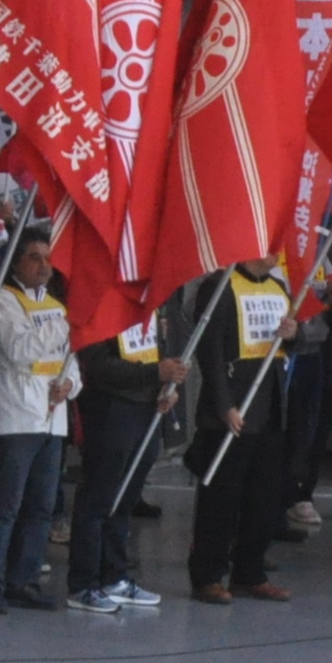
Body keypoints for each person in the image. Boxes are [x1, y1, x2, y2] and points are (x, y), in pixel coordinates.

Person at [0, 228, 79, 613]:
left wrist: (70, 383)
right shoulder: (3, 300)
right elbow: (19, 349)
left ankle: (25, 580)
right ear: (16, 262)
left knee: (40, 507)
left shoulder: (55, 303)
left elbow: (73, 356)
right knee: (6, 506)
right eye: (34, 257)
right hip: (18, 414)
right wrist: (67, 322)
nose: (43, 265)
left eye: (47, 258)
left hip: (53, 417)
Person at [188, 262, 296, 604]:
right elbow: (210, 351)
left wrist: (297, 333)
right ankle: (207, 575)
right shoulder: (220, 286)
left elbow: (310, 333)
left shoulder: (278, 288)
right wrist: (224, 405)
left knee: (262, 500)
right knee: (220, 500)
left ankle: (250, 572)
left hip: (270, 410)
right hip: (234, 409)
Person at [68, 310, 183, 611]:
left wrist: (166, 387)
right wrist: (154, 374)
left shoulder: (150, 304)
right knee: (98, 497)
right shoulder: (101, 305)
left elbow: (156, 351)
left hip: (146, 406)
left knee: (126, 498)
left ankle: (114, 576)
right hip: (110, 407)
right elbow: (97, 365)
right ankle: (83, 583)